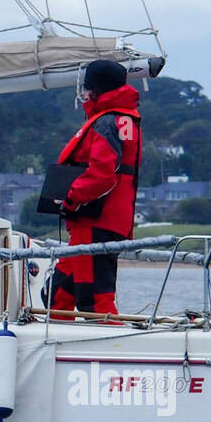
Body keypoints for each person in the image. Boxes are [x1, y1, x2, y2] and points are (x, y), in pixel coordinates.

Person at [48, 59, 142, 318]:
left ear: (95, 90)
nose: (83, 95)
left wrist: (71, 199)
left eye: (86, 89)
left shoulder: (106, 122)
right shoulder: (123, 120)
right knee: (56, 297)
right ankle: (52, 340)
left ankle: (117, 353)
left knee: (95, 302)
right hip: (104, 223)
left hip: (94, 222)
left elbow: (103, 174)